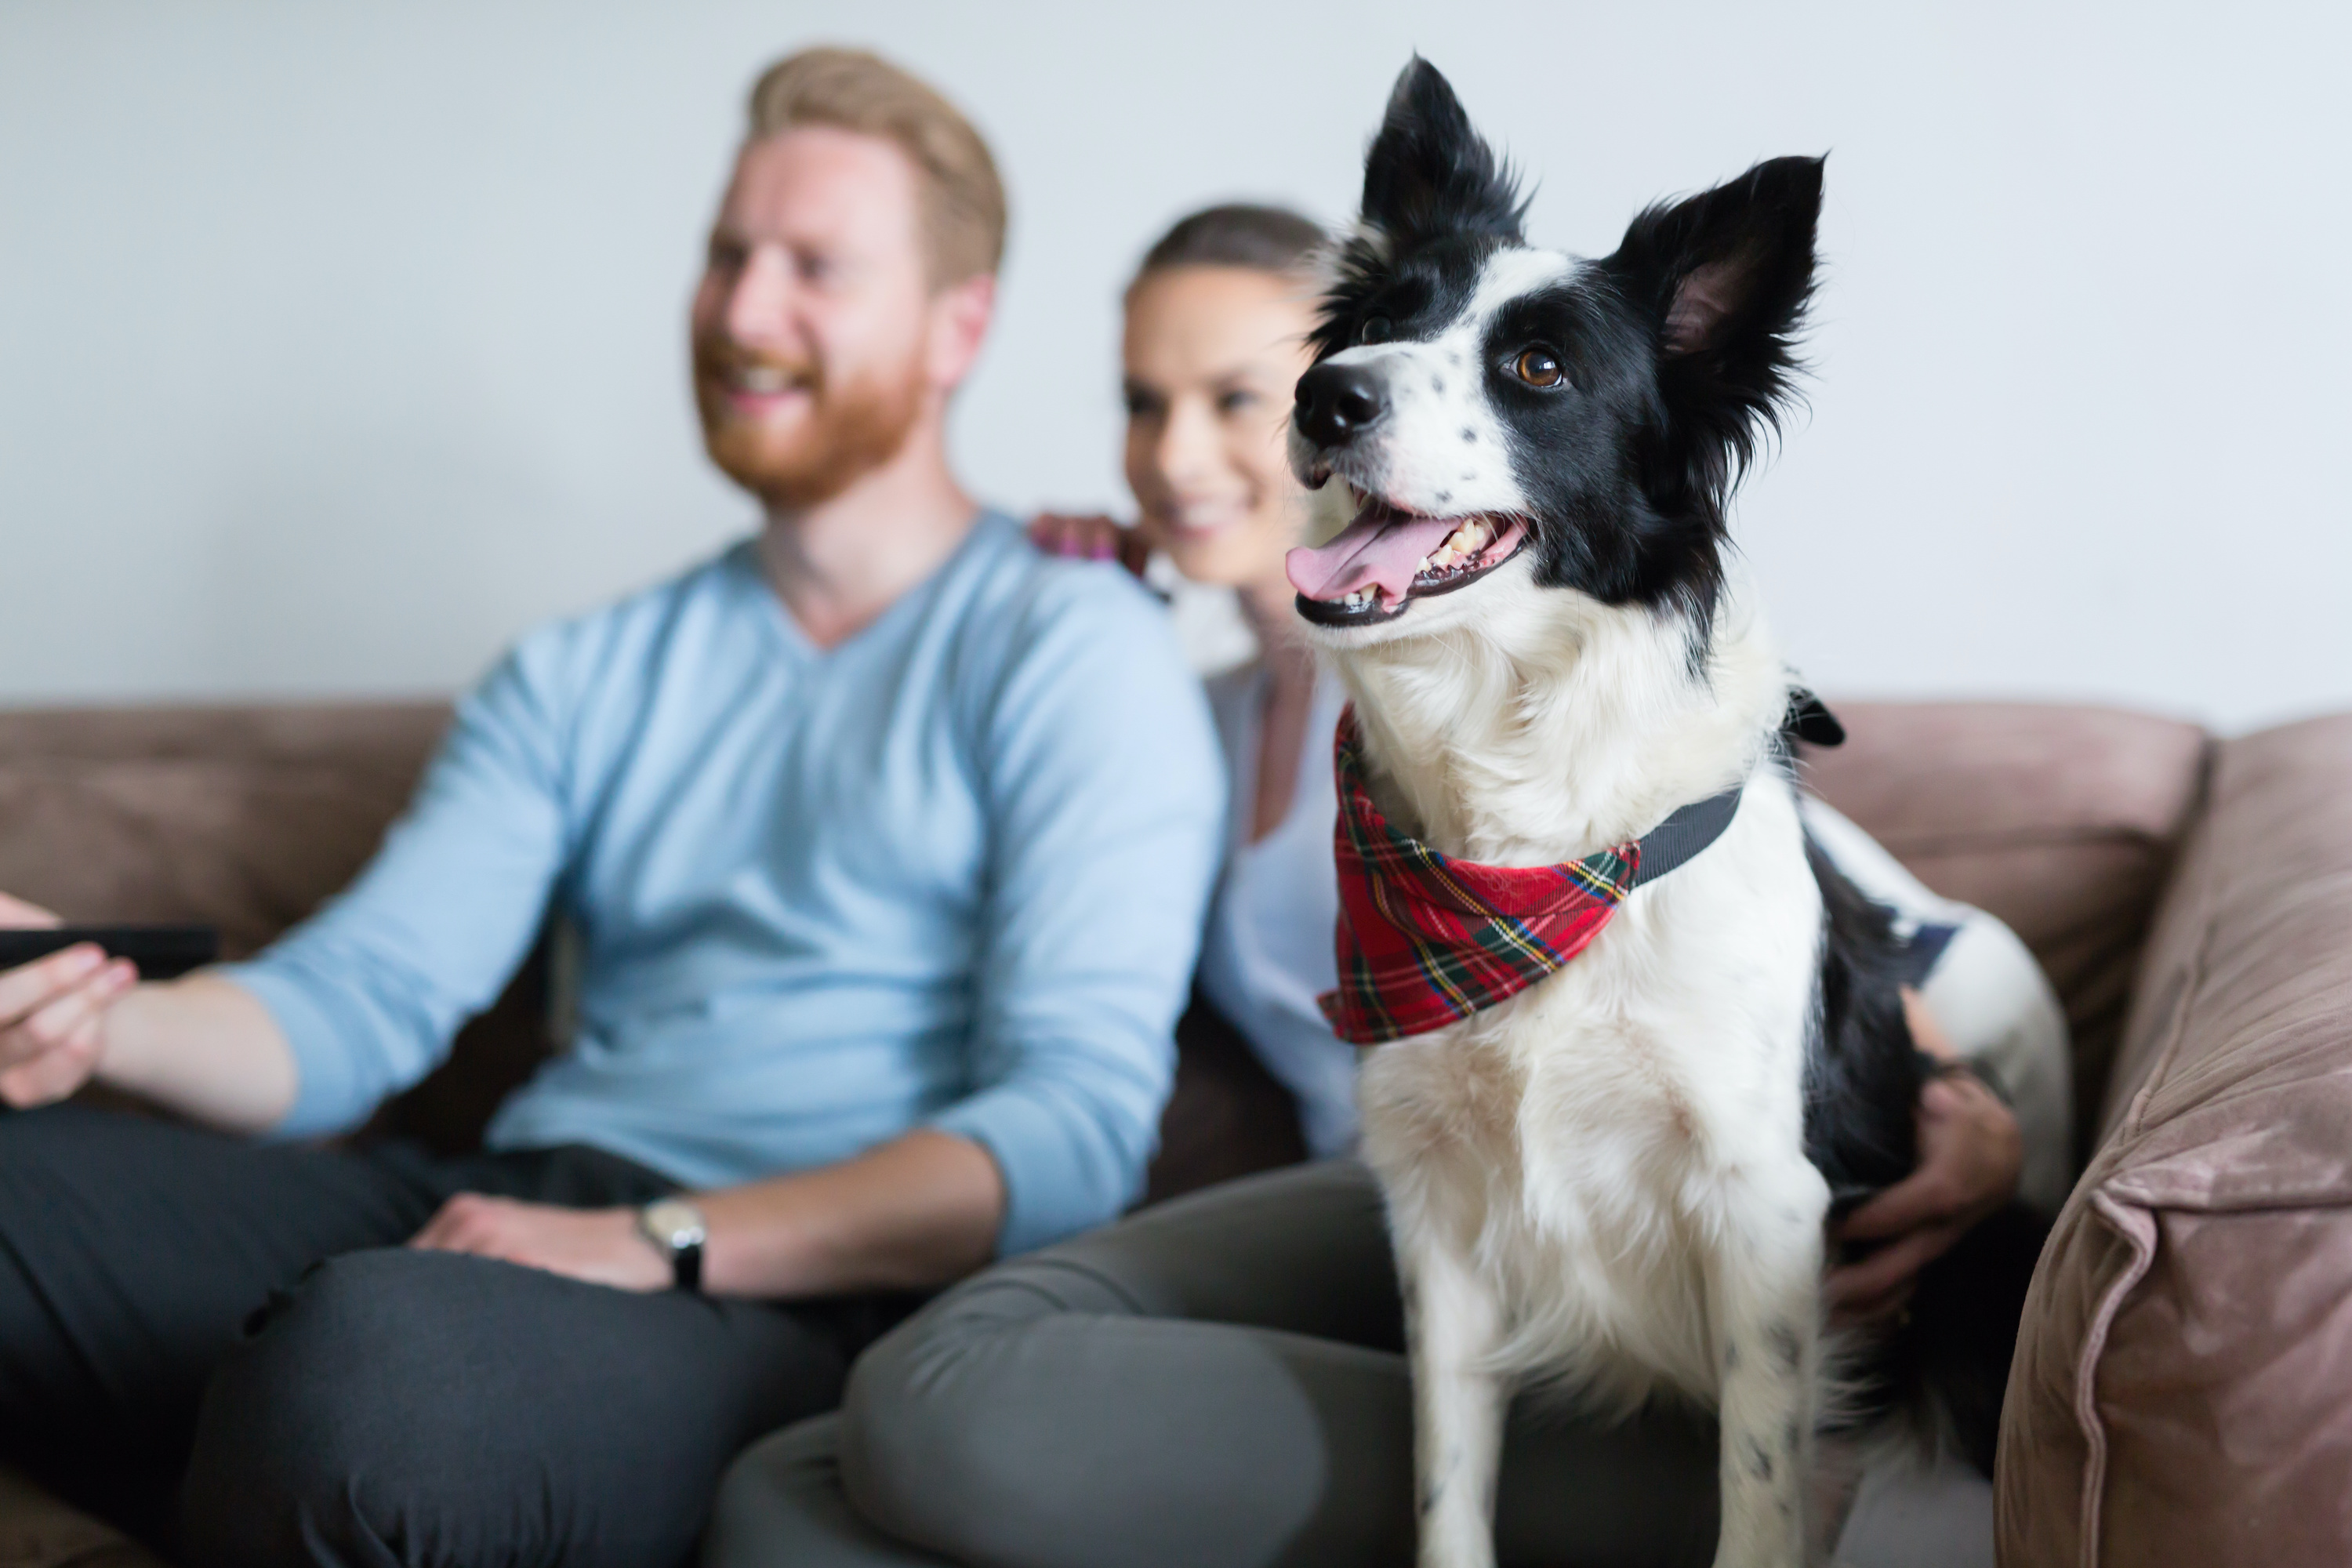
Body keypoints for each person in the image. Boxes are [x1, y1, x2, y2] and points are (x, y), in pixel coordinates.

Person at [700, 205, 2073, 1568]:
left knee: (938, 1415)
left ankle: (1793, 1510)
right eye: (1142, 402)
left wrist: (1969, 1110)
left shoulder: (1546, 705)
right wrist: (1036, 584)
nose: (1180, 455)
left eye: (1238, 395)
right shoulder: (1183, 704)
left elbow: (1820, 936)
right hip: (1428, 1222)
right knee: (781, 1488)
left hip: (1647, 1270)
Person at [0, 49, 1222, 1568]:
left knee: (378, 1373)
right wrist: (85, 1008)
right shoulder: (585, 669)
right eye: (727, 255)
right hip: (503, 1213)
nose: (741, 309)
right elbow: (355, 1006)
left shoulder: (1069, 642)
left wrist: (662, 1243)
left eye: (814, 268)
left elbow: (1068, 1129)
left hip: (791, 1285)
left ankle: (227, 1441)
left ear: (954, 326)